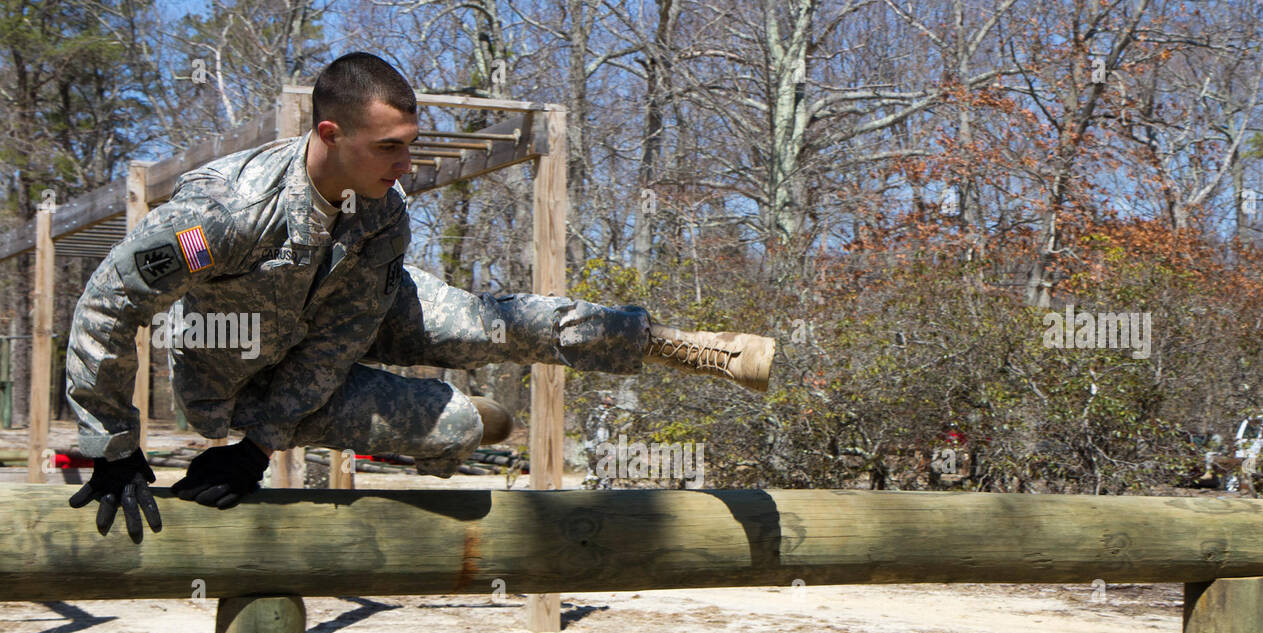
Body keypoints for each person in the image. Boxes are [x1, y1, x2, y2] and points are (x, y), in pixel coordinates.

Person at [65, 52, 769, 541]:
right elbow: (109, 301)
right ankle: (485, 420)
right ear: (330, 135)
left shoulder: (382, 209)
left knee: (499, 324)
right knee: (457, 428)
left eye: (412, 145)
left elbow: (342, 335)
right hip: (245, 372)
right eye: (390, 147)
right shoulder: (224, 214)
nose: (406, 165)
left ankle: (665, 343)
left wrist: (264, 448)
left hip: (352, 308)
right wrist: (114, 445)